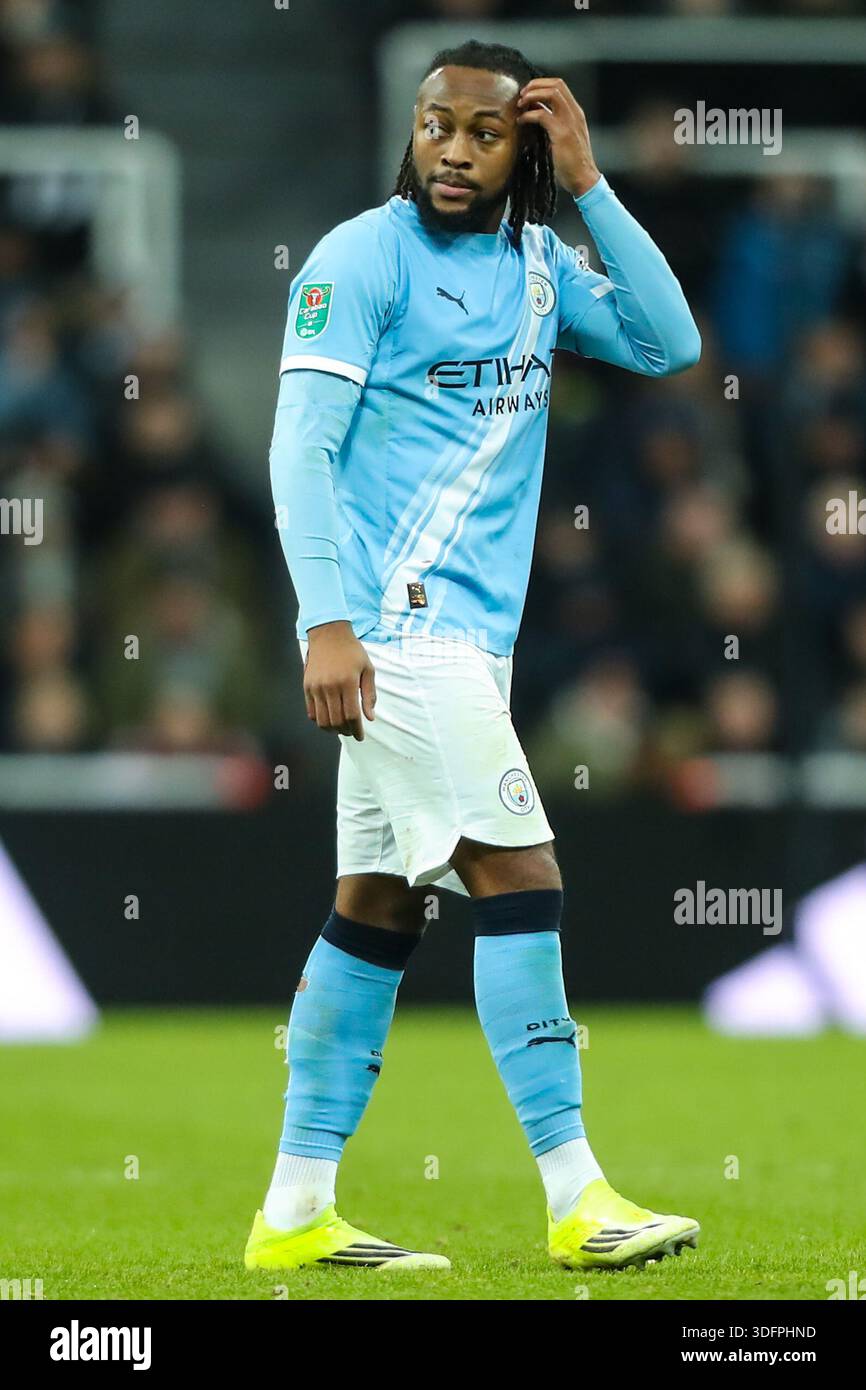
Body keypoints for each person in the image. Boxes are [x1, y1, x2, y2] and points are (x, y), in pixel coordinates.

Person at [245, 40, 701, 1275]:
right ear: (412, 128)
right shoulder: (357, 258)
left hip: (463, 643)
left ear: (528, 147)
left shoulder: (540, 265)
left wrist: (595, 188)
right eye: (436, 124)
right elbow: (301, 451)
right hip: (395, 630)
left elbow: (668, 345)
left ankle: (293, 1209)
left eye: (485, 132)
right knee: (520, 874)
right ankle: (576, 1191)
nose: (452, 149)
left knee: (378, 908)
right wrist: (322, 623)